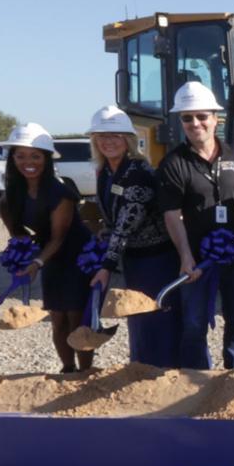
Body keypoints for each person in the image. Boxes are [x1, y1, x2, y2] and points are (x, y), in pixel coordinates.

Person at [157, 81, 234, 370]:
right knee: (194, 324)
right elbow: (172, 216)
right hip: (198, 261)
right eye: (187, 118)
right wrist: (186, 257)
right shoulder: (174, 164)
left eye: (202, 116)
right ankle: (199, 380)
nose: (195, 123)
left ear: (216, 118)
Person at [87, 105, 184, 368]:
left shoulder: (139, 173)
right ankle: (142, 368)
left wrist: (106, 266)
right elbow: (111, 219)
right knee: (138, 318)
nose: (109, 141)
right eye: (103, 136)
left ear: (128, 139)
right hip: (134, 259)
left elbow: (125, 224)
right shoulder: (106, 172)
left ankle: (164, 373)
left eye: (116, 136)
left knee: (155, 316)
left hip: (156, 260)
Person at [0, 123, 95, 373]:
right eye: (20, 156)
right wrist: (20, 257)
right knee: (57, 318)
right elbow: (18, 235)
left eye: (35, 156)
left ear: (46, 158)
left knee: (77, 317)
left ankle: (85, 373)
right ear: (12, 159)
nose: (28, 161)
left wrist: (37, 263)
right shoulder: (9, 197)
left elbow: (59, 237)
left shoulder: (60, 192)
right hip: (49, 257)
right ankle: (67, 368)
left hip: (77, 256)